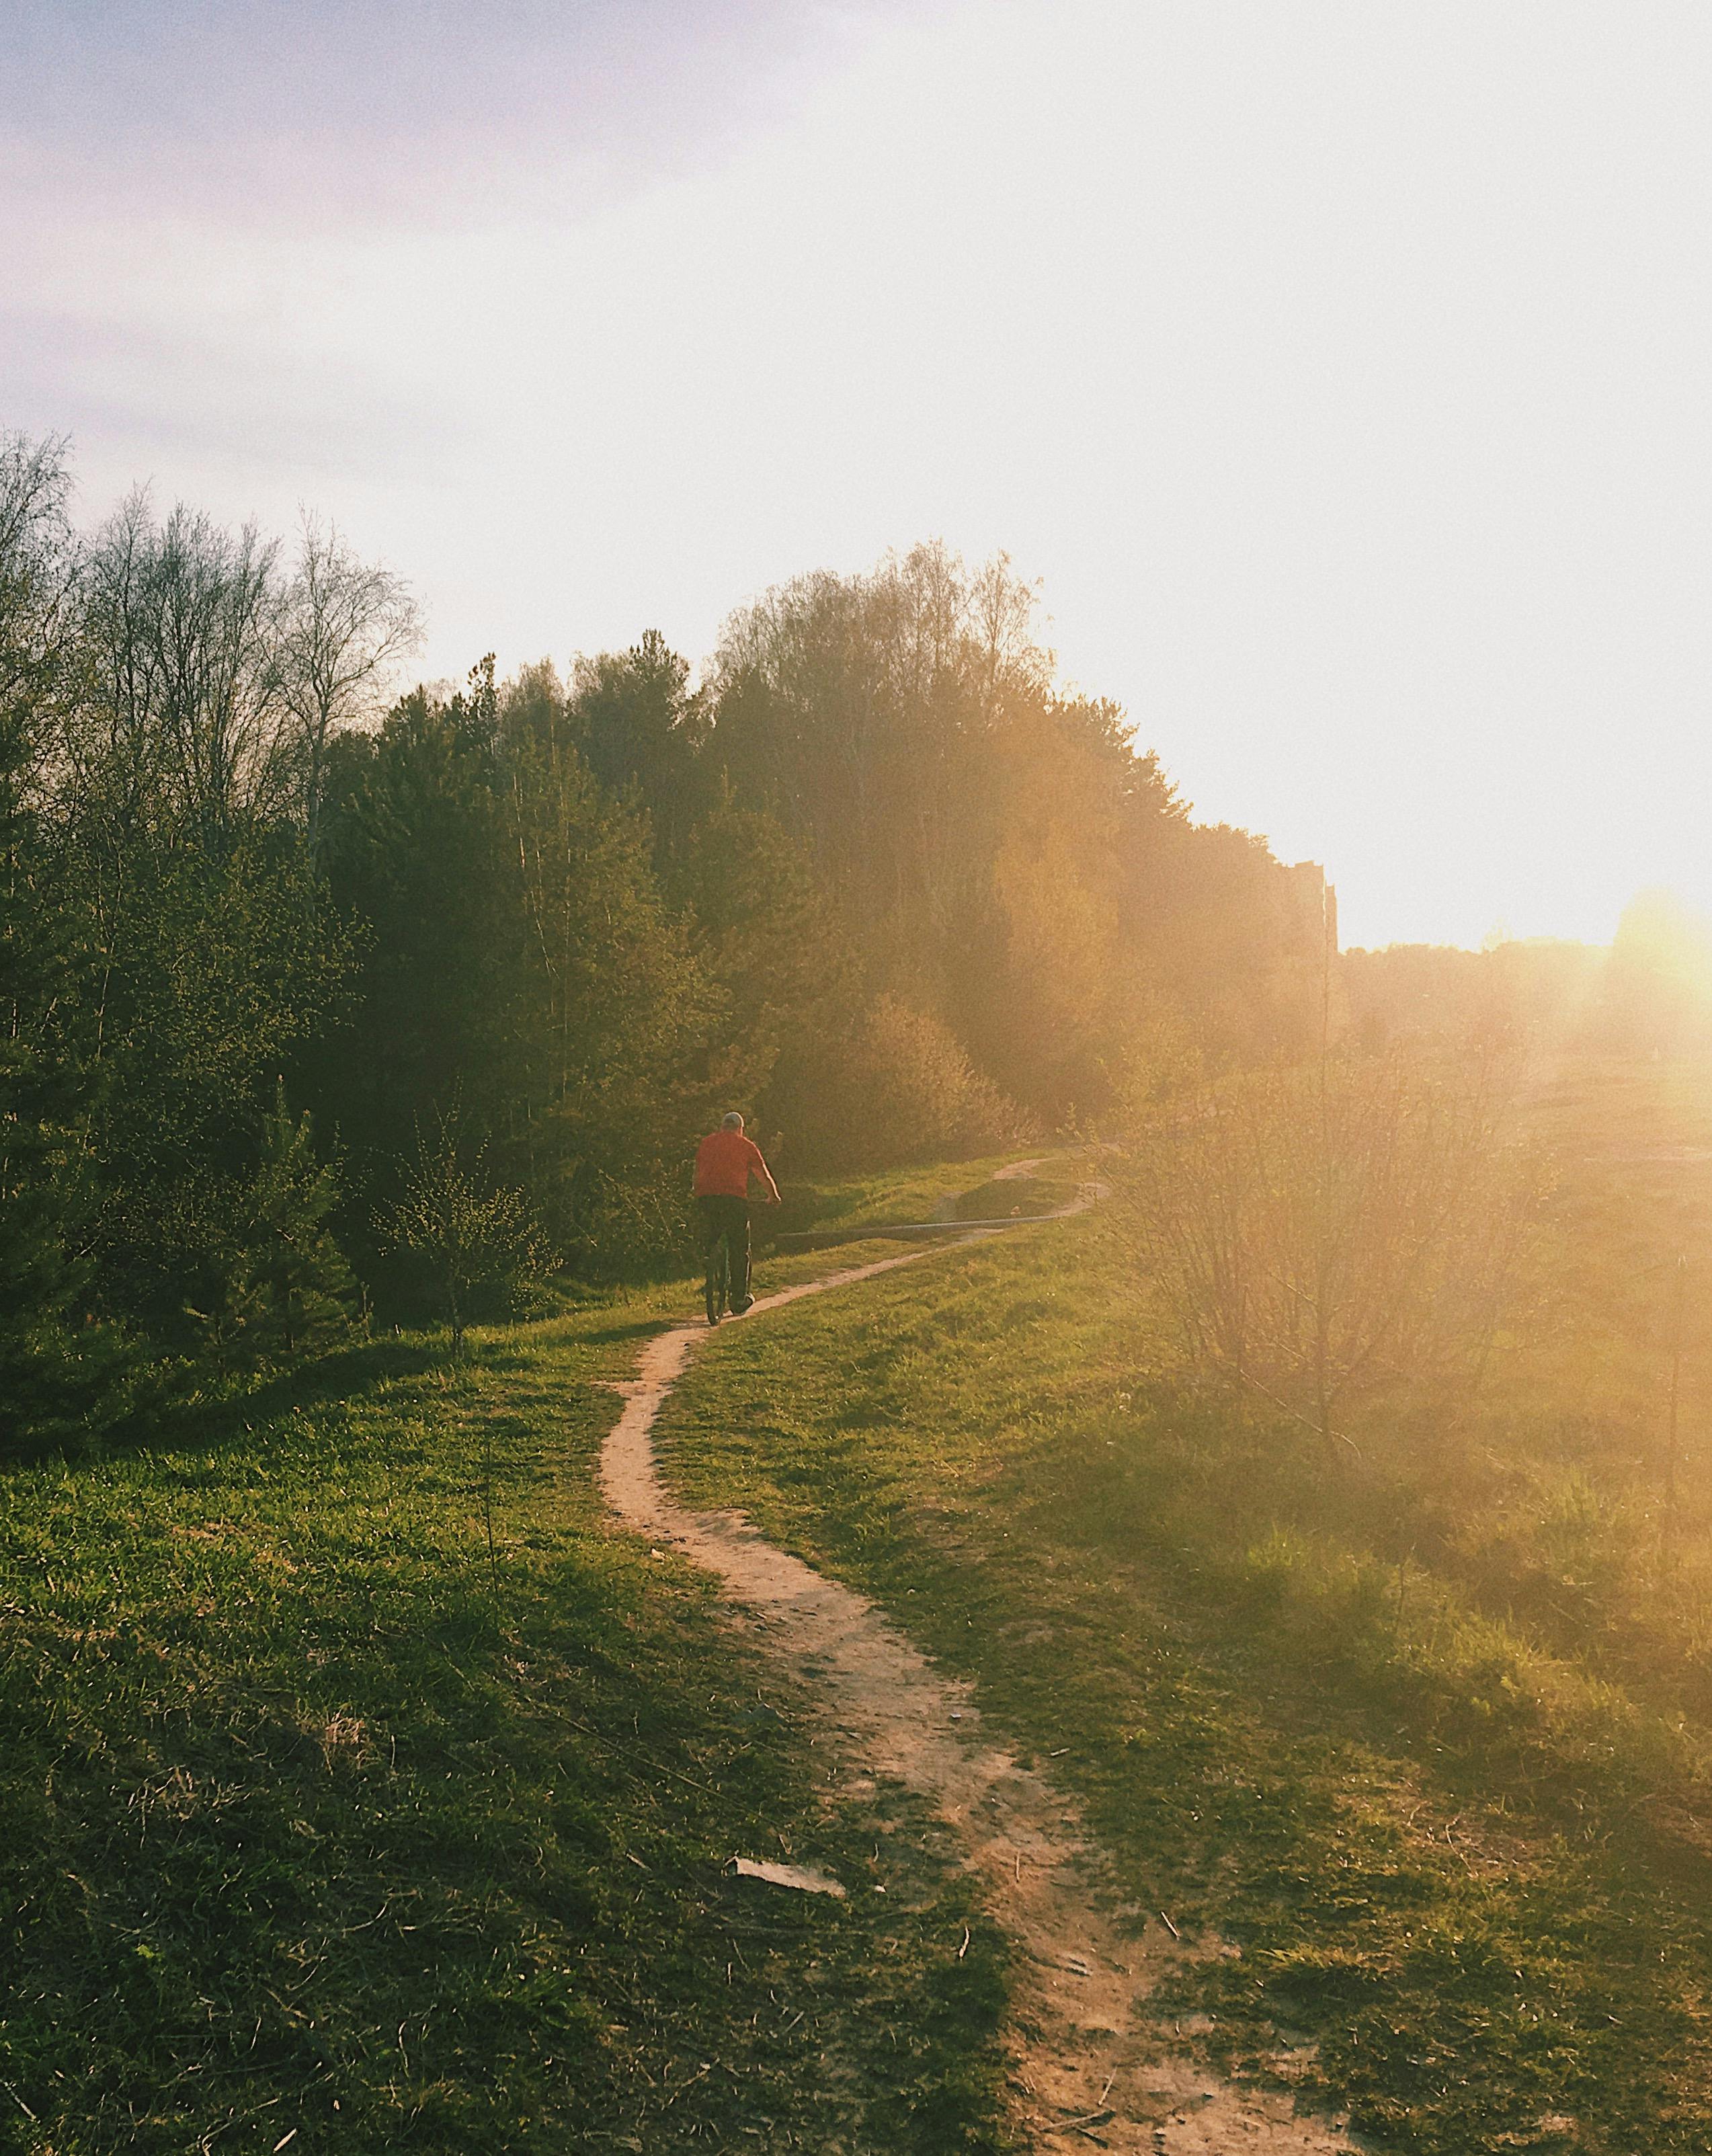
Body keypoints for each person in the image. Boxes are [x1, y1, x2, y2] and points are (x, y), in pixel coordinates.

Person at [693, 1111, 780, 1318]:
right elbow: (763, 1175)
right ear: (740, 1129)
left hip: (707, 1198)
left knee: (713, 1229)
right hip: (734, 1199)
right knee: (740, 1246)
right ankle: (739, 1298)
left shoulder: (707, 1143)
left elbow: (698, 1171)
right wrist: (773, 1197)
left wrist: (697, 1192)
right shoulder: (746, 1146)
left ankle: (708, 1255)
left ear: (722, 1126)